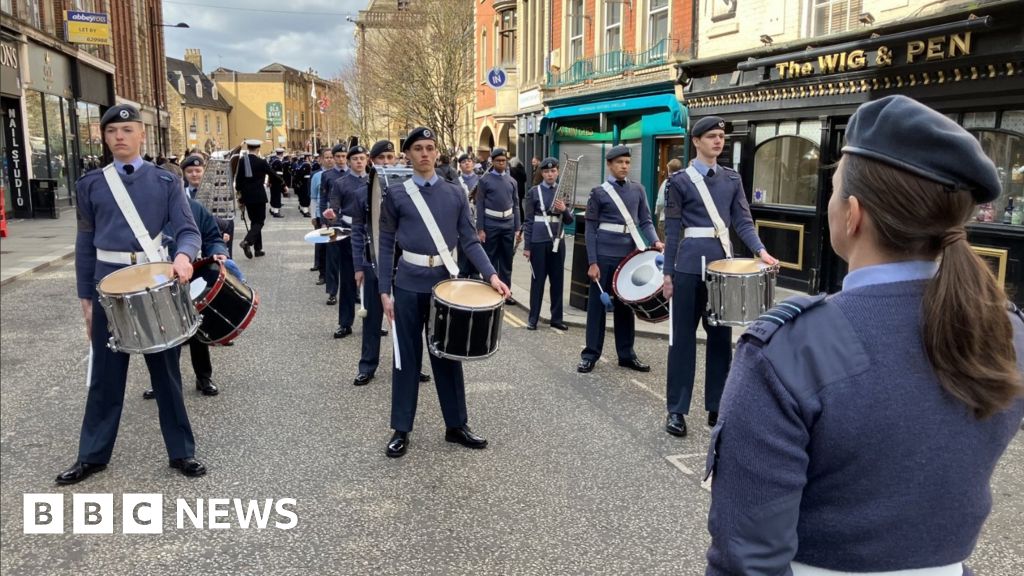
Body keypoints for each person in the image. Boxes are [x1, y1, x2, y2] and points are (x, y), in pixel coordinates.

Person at [705, 95, 1024, 574]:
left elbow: (747, 554)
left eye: (833, 189)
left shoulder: (793, 348)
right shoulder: (1007, 330)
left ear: (852, 213)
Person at [57, 104, 206, 485]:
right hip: (108, 285)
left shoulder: (166, 181)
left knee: (166, 373)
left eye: (127, 130)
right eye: (112, 131)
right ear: (104, 137)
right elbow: (85, 242)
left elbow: (188, 230)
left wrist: (184, 257)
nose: (119, 137)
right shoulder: (90, 184)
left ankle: (181, 451)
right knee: (105, 375)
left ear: (142, 134)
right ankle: (92, 455)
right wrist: (85, 298)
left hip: (153, 281)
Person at [378, 127, 510, 458]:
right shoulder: (396, 195)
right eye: (418, 148)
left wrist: (492, 275)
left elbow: (469, 240)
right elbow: (385, 244)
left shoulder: (454, 194)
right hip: (408, 284)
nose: (425, 153)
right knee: (406, 358)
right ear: (408, 154)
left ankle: (456, 425)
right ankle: (401, 428)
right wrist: (384, 290)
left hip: (445, 285)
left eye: (430, 148)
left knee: (448, 356)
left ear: (437, 153)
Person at [661, 117, 777, 436]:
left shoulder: (731, 179)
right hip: (687, 268)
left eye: (721, 136)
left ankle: (718, 405)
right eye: (711, 136)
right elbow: (672, 231)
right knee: (682, 340)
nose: (718, 141)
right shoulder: (679, 181)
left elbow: (743, 221)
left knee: (720, 342)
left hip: (722, 268)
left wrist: (761, 251)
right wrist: (668, 273)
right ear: (696, 141)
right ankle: (677, 409)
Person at [143, 177, 234, 399]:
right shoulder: (144, 210)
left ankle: (204, 377)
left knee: (196, 329)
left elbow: (212, 236)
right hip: (157, 278)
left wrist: (218, 251)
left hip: (191, 273)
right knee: (163, 332)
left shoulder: (195, 208)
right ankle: (163, 381)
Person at [577, 146, 663, 374]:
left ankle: (626, 354)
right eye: (619, 162)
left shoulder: (638, 190)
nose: (624, 166)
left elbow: (645, 221)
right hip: (604, 255)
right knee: (597, 308)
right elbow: (590, 229)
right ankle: (590, 354)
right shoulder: (598, 193)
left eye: (627, 162)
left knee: (626, 307)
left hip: (629, 257)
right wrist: (592, 262)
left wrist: (655, 241)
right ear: (609, 164)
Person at [522, 157, 571, 331]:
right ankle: (533, 318)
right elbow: (528, 220)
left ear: (558, 172)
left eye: (553, 171)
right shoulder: (534, 192)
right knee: (538, 281)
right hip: (539, 240)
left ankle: (556, 318)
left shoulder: (562, 192)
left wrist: (564, 210)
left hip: (558, 240)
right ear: (542, 173)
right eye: (546, 171)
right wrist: (527, 246)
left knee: (557, 281)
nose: (550, 174)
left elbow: (569, 220)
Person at [475, 148, 522, 305]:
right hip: (491, 224)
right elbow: (480, 205)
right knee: (490, 259)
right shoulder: (485, 180)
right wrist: (480, 229)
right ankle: (488, 292)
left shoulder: (512, 181)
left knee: (507, 260)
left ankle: (506, 292)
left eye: (503, 160)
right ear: (492, 162)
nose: (501, 163)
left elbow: (516, 205)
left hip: (508, 224)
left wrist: (517, 228)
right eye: (498, 161)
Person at [322, 145, 358, 337]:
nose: (359, 162)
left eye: (362, 158)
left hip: (369, 235)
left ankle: (374, 323)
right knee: (347, 280)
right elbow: (333, 206)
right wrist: (331, 217)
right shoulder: (341, 183)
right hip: (348, 232)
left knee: (372, 284)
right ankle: (345, 322)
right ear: (350, 162)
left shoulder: (372, 181)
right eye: (355, 159)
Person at [235, 139, 283, 258]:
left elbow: (238, 180)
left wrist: (240, 195)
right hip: (259, 196)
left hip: (247, 196)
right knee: (260, 222)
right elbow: (273, 174)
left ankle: (258, 249)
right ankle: (247, 242)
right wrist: (283, 184)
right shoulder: (261, 162)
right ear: (258, 149)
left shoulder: (242, 160)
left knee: (254, 222)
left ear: (248, 148)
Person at [181, 154, 235, 259]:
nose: (194, 174)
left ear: (204, 171)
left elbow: (226, 220)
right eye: (189, 171)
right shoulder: (182, 194)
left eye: (198, 171)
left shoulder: (216, 192)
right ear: (184, 174)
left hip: (212, 243)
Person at [320, 144, 351, 306]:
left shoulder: (354, 174)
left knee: (351, 259)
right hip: (333, 222)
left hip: (350, 222)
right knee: (332, 259)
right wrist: (322, 220)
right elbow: (323, 199)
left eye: (343, 156)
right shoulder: (327, 175)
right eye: (337, 156)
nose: (340, 159)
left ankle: (354, 291)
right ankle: (332, 292)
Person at [309, 148, 333, 286]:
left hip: (336, 216)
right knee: (322, 246)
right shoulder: (316, 176)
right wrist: (313, 215)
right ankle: (322, 274)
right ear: (321, 159)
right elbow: (313, 197)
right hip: (321, 215)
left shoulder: (341, 174)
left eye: (331, 157)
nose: (329, 160)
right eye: (327, 157)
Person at [455, 153, 480, 278]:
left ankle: (475, 272)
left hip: (477, 217)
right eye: (464, 162)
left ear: (473, 164)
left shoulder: (480, 180)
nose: (467, 163)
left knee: (477, 246)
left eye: (469, 161)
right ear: (460, 166)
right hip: (462, 219)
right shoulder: (456, 182)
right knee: (463, 247)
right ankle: (463, 273)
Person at [267, 148, 287, 218]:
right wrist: (283, 183)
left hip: (272, 181)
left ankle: (272, 210)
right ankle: (276, 212)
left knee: (273, 196)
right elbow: (279, 174)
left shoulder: (272, 160)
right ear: (281, 154)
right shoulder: (278, 162)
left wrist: (269, 181)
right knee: (277, 196)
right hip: (277, 182)